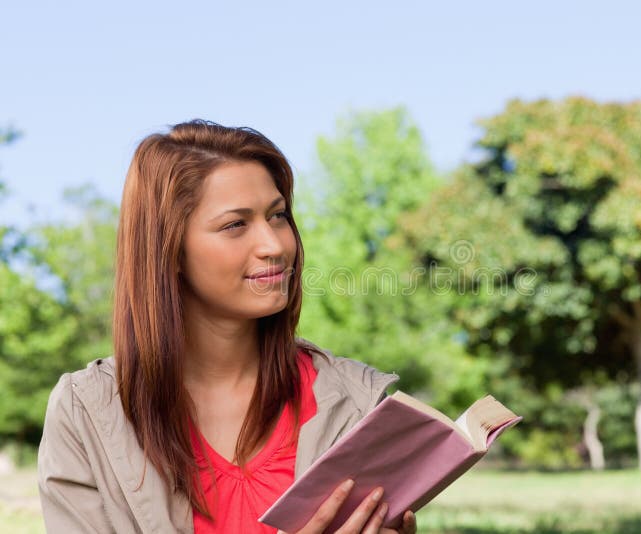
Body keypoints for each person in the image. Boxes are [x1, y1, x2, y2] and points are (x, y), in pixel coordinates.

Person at [37, 119, 418, 534]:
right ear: (170, 250)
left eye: (277, 216)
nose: (275, 245)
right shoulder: (85, 413)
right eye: (236, 225)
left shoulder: (356, 403)